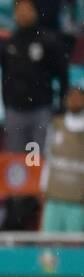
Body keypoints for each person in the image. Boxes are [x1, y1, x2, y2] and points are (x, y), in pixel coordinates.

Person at [0, 0, 69, 154]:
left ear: (35, 11)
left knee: (36, 159)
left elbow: (62, 74)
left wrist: (61, 107)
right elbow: (4, 77)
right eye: (19, 9)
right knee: (15, 164)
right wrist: (5, 104)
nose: (23, 13)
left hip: (40, 110)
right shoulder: (10, 42)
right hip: (14, 111)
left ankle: (35, 178)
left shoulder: (48, 40)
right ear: (14, 13)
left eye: (27, 9)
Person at [40, 85, 84, 232]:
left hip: (77, 203)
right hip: (54, 199)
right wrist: (43, 186)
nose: (74, 101)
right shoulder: (55, 125)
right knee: (48, 248)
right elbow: (48, 158)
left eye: (78, 97)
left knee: (75, 249)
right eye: (71, 97)